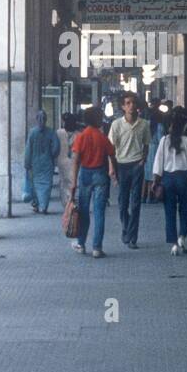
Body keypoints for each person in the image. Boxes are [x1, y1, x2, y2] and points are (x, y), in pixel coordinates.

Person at [152, 107, 187, 256]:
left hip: (167, 179)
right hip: (183, 178)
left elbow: (158, 163)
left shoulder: (164, 141)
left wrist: (155, 182)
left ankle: (173, 244)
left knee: (169, 212)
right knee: (186, 210)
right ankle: (182, 237)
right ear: (183, 126)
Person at [70, 107, 116, 258]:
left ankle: (81, 244)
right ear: (97, 119)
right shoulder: (102, 137)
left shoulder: (81, 137)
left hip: (85, 175)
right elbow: (111, 154)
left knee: (83, 211)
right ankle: (97, 248)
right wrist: (113, 171)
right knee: (99, 212)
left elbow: (76, 161)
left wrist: (73, 182)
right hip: (100, 175)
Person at [108, 94, 151, 249]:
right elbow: (111, 149)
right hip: (121, 165)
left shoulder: (144, 124)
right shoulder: (116, 125)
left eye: (133, 103)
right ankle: (126, 228)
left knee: (135, 203)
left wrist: (143, 160)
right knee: (122, 202)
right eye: (128, 103)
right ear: (123, 107)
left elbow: (147, 145)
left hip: (137, 165)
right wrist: (112, 168)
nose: (131, 106)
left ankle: (132, 236)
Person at [24, 111, 60, 214]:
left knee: (35, 184)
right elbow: (56, 147)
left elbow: (28, 150)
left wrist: (27, 164)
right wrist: (52, 155)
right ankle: (43, 206)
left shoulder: (32, 132)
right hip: (47, 163)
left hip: (35, 164)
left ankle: (38, 204)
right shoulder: (51, 132)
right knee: (46, 185)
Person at [56, 112, 79, 212]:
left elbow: (55, 147)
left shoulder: (58, 133)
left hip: (62, 161)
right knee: (73, 181)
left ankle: (66, 202)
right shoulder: (79, 134)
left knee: (64, 182)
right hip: (74, 161)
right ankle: (72, 201)